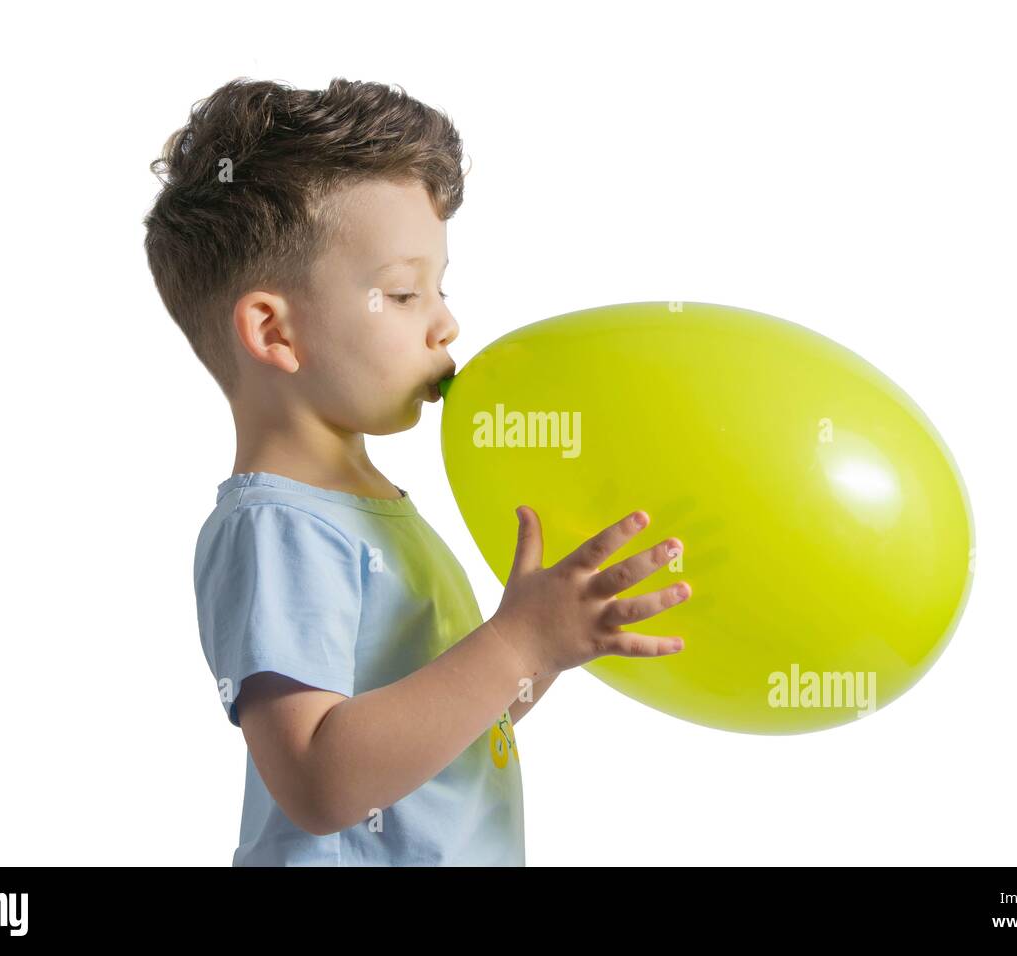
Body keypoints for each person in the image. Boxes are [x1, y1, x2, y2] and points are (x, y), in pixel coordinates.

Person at [143, 77, 691, 865]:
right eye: (402, 293)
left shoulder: (376, 511)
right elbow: (321, 782)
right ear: (274, 331)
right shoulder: (279, 526)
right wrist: (514, 642)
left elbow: (437, 741)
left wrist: (544, 650)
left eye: (440, 287)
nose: (446, 321)